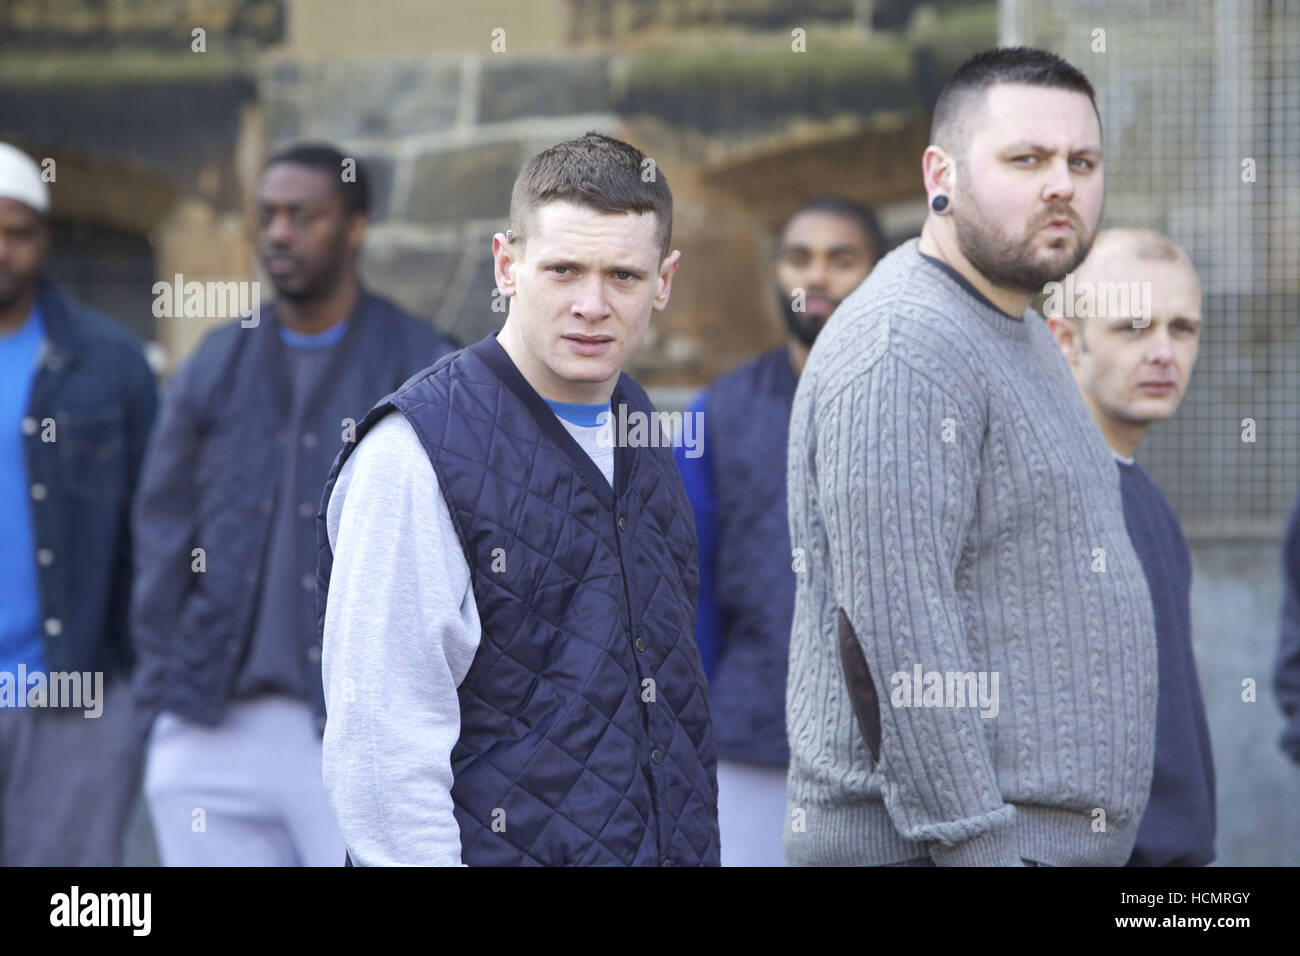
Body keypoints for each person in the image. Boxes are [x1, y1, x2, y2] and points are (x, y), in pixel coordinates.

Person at [784, 47, 1158, 867]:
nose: (1062, 184)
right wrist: (974, 848)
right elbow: (892, 629)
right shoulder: (905, 344)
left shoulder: (1015, 327)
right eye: (1026, 159)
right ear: (939, 174)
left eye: (1082, 161)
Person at [319, 132, 719, 866]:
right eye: (563, 269)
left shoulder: (640, 423)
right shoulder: (414, 453)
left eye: (623, 277)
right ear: (507, 265)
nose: (592, 305)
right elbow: (380, 752)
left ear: (664, 281)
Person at [130, 143, 457, 866]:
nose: (279, 233)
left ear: (356, 227)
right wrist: (161, 702)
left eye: (304, 216)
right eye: (268, 216)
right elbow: (160, 534)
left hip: (354, 730)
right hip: (209, 726)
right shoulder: (217, 361)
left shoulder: (423, 363)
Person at [675, 196, 882, 866]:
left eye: (841, 259)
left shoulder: (918, 403)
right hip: (748, 743)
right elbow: (687, 582)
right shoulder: (720, 410)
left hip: (889, 757)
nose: (816, 276)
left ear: (878, 273)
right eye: (800, 257)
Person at [0, 141, 158, 865]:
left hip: (75, 690)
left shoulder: (110, 361)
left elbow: (157, 528)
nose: (1, 250)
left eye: (18, 232)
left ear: (45, 239)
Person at [1044, 227, 1214, 866]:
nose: (1164, 353)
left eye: (1182, 328)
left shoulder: (1147, 498)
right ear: (1066, 339)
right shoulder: (1042, 497)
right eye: (1134, 328)